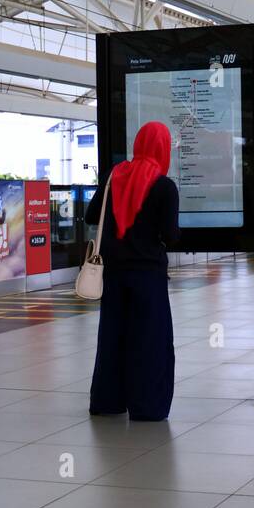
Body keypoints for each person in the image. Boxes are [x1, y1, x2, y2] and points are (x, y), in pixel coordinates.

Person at [85, 121, 180, 421]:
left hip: (113, 274)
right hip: (148, 276)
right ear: (162, 148)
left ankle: (109, 401)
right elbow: (172, 235)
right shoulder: (164, 186)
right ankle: (147, 406)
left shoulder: (115, 177)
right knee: (150, 339)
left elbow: (90, 215)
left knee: (113, 336)